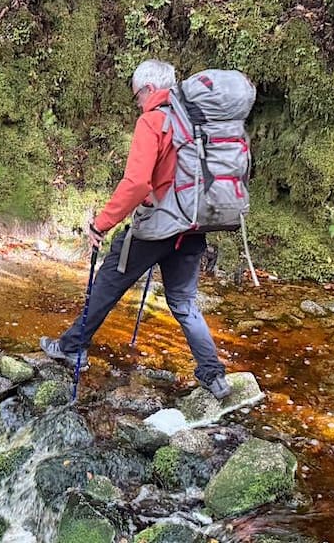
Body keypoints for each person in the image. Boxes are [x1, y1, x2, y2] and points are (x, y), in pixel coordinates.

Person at [40, 59, 231, 400]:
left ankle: (71, 348)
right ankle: (214, 376)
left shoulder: (152, 121)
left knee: (108, 282)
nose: (138, 104)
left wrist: (101, 224)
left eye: (137, 96)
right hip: (193, 228)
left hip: (156, 228)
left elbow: (137, 183)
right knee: (184, 303)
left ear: (148, 90)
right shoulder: (198, 123)